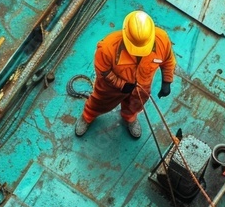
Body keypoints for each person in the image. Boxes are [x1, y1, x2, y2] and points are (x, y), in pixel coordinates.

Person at [74, 10, 176, 139]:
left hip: (141, 89)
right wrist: (121, 84)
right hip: (110, 89)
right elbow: (103, 71)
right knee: (99, 102)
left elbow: (168, 60)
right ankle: (88, 115)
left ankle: (130, 117)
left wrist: (167, 81)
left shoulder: (162, 40)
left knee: (135, 105)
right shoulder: (107, 48)